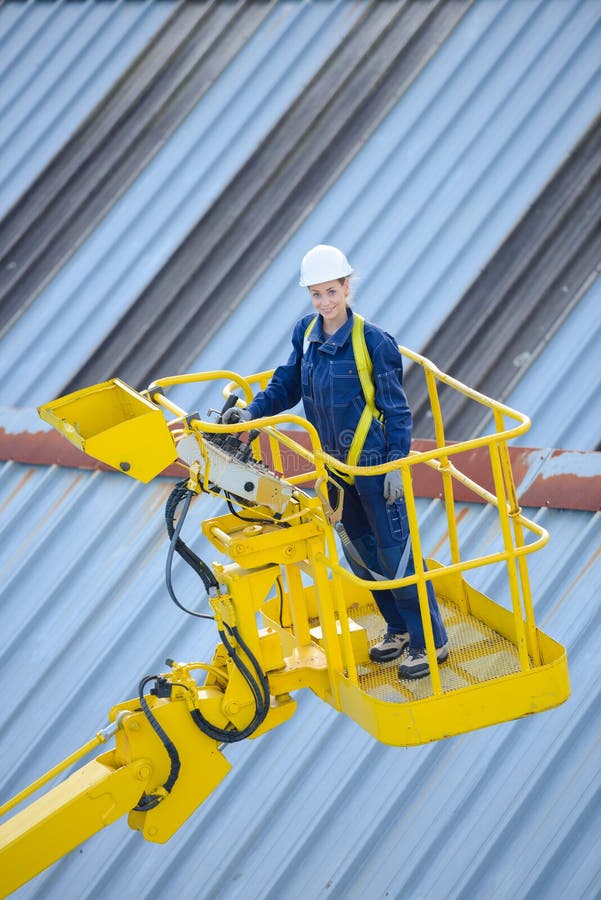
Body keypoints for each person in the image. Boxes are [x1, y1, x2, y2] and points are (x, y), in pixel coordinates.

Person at [222, 244, 448, 679]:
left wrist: (397, 465)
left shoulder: (373, 342)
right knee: (360, 552)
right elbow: (288, 382)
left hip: (374, 465)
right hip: (334, 466)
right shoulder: (306, 333)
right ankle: (398, 630)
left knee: (396, 553)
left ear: (347, 286)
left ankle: (429, 642)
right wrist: (252, 412)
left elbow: (397, 411)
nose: (325, 302)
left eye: (332, 291)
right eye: (317, 294)